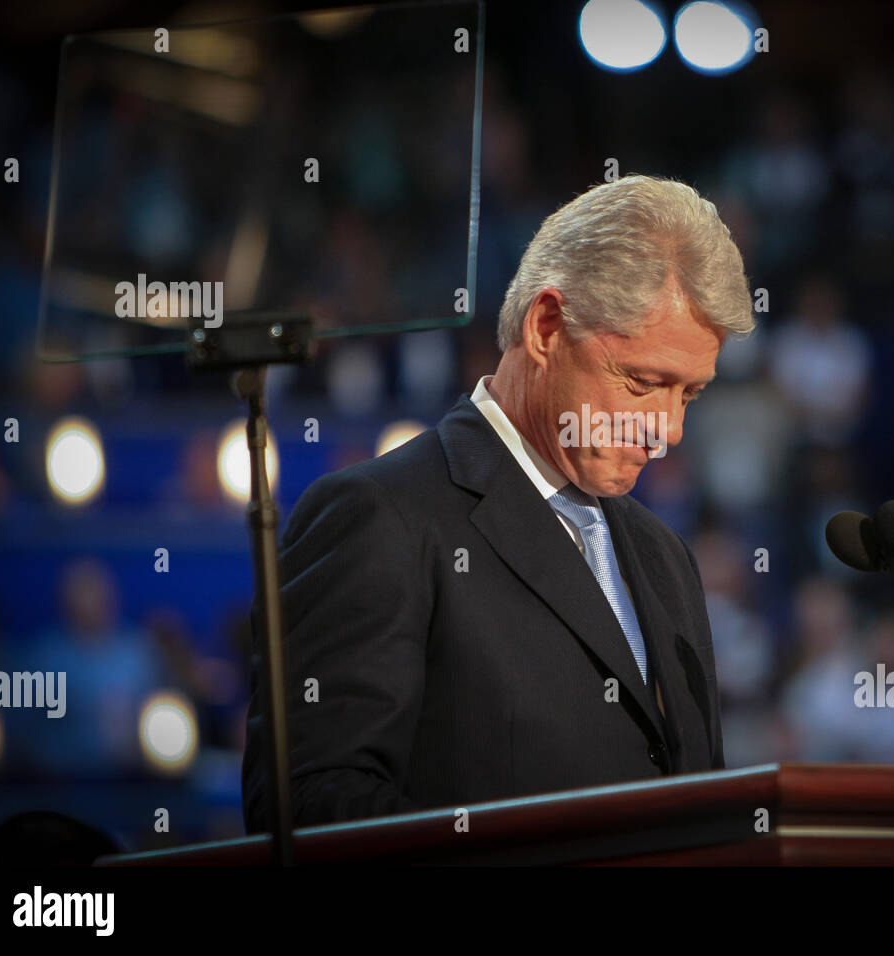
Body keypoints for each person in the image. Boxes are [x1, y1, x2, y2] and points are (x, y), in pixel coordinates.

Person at [243, 175, 755, 830]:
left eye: (690, 395)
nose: (669, 429)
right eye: (644, 383)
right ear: (546, 327)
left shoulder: (665, 559)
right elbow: (310, 811)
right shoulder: (378, 519)